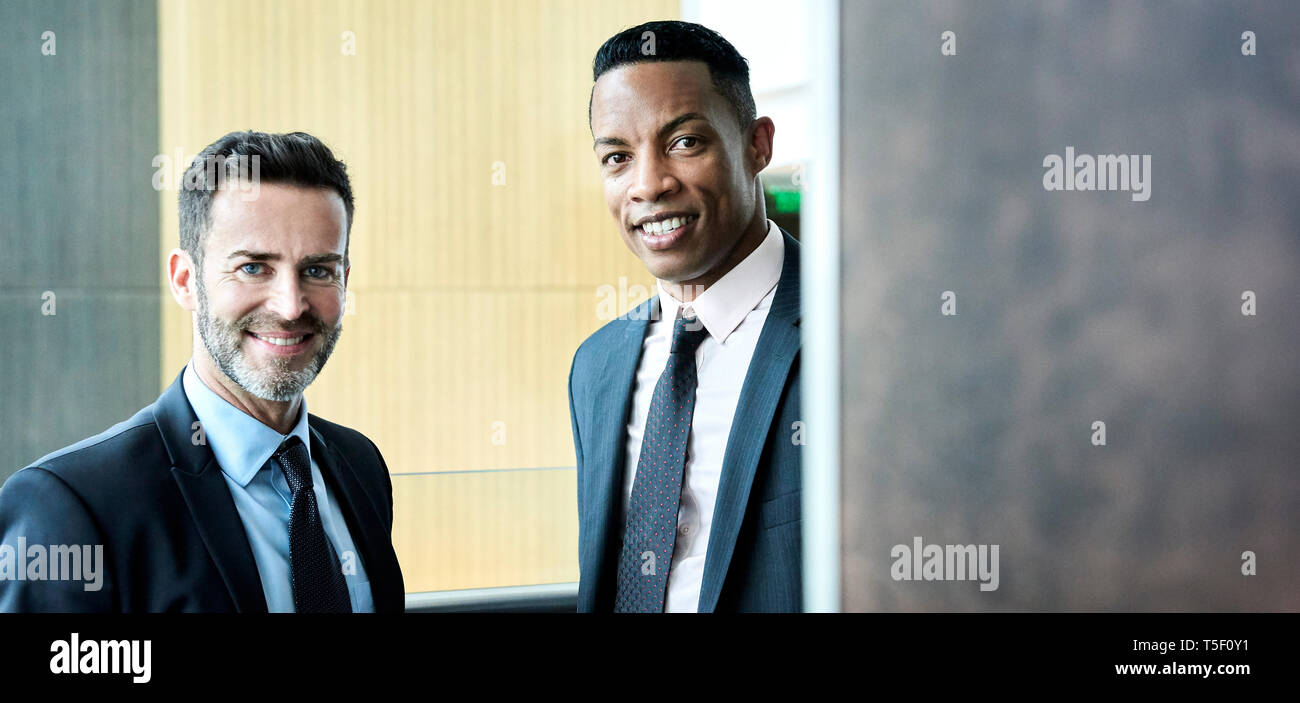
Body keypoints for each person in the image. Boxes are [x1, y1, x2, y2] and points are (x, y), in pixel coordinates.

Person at [0, 131, 404, 612]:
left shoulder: (360, 466)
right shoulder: (70, 504)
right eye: (254, 268)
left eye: (318, 270)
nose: (291, 306)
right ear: (185, 280)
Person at [570, 21, 801, 612]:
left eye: (684, 143)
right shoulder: (596, 366)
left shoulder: (858, 333)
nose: (648, 184)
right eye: (617, 157)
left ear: (758, 145)